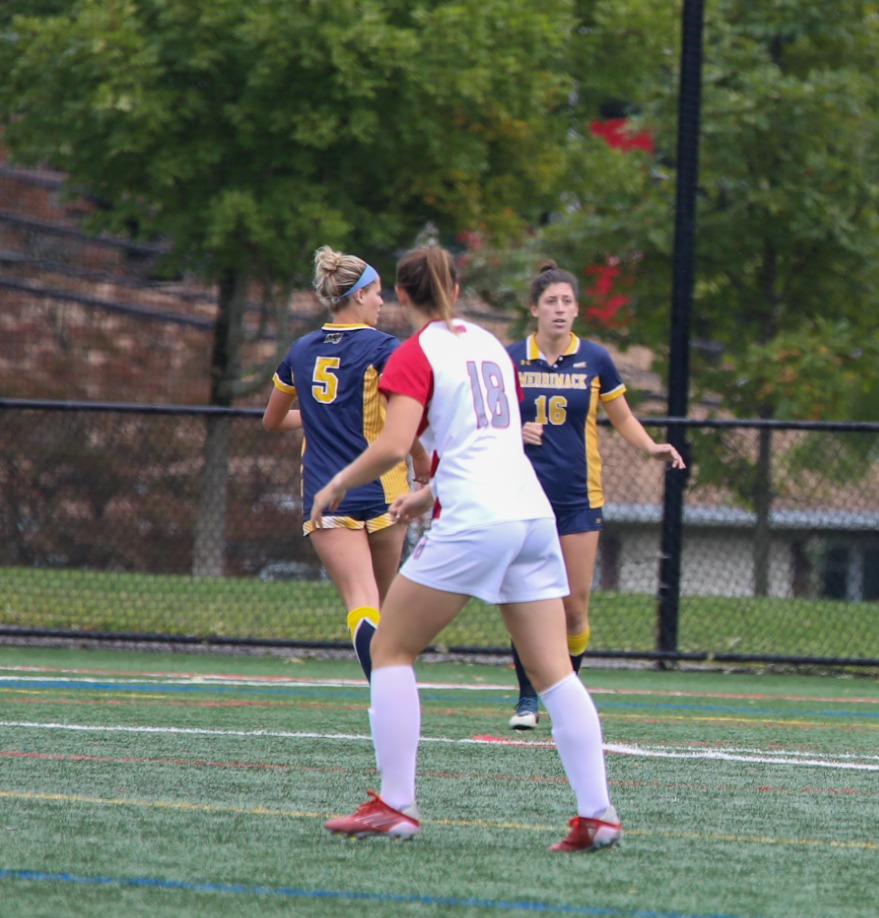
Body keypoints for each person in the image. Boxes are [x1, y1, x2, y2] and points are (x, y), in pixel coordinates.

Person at [316, 246, 620, 851]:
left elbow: (395, 444)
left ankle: (395, 804)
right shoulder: (489, 344)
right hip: (530, 515)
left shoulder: (414, 353)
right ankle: (598, 814)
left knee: (391, 649)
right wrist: (428, 496)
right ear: (456, 286)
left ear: (403, 296)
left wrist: (337, 483)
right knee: (555, 671)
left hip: (480, 519)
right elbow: (487, 442)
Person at [501, 261, 683, 730]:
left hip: (579, 496)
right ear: (534, 309)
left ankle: (566, 696)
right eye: (550, 302)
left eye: (566, 302)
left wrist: (650, 448)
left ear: (577, 309)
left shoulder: (595, 359)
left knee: (573, 606)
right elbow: (485, 419)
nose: (559, 310)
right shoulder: (509, 358)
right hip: (522, 495)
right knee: (527, 599)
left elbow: (621, 418)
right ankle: (526, 700)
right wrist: (513, 430)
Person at [262, 246, 422, 680]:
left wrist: (313, 417)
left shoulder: (301, 349)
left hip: (325, 494)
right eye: (376, 294)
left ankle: (384, 692)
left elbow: (272, 420)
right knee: (387, 602)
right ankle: (398, 688)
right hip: (386, 488)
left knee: (361, 601)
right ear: (357, 296)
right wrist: (424, 468)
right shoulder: (386, 347)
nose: (381, 302)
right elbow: (411, 423)